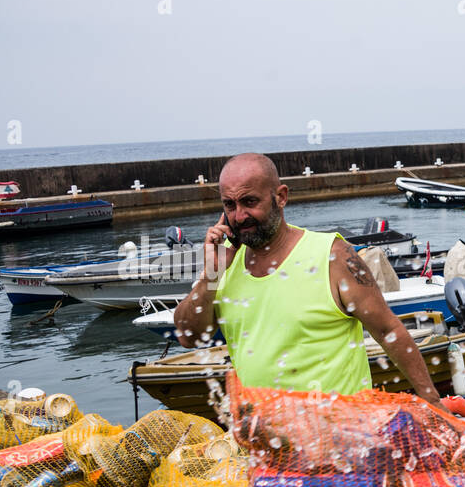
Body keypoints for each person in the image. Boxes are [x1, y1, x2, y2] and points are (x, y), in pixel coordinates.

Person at [173, 153, 445, 404]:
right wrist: (211, 275)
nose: (239, 216)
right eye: (229, 205)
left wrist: (432, 401)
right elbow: (189, 337)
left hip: (341, 439)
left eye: (250, 202)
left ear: (280, 197)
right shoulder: (222, 266)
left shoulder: (333, 256)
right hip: (265, 442)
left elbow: (389, 331)